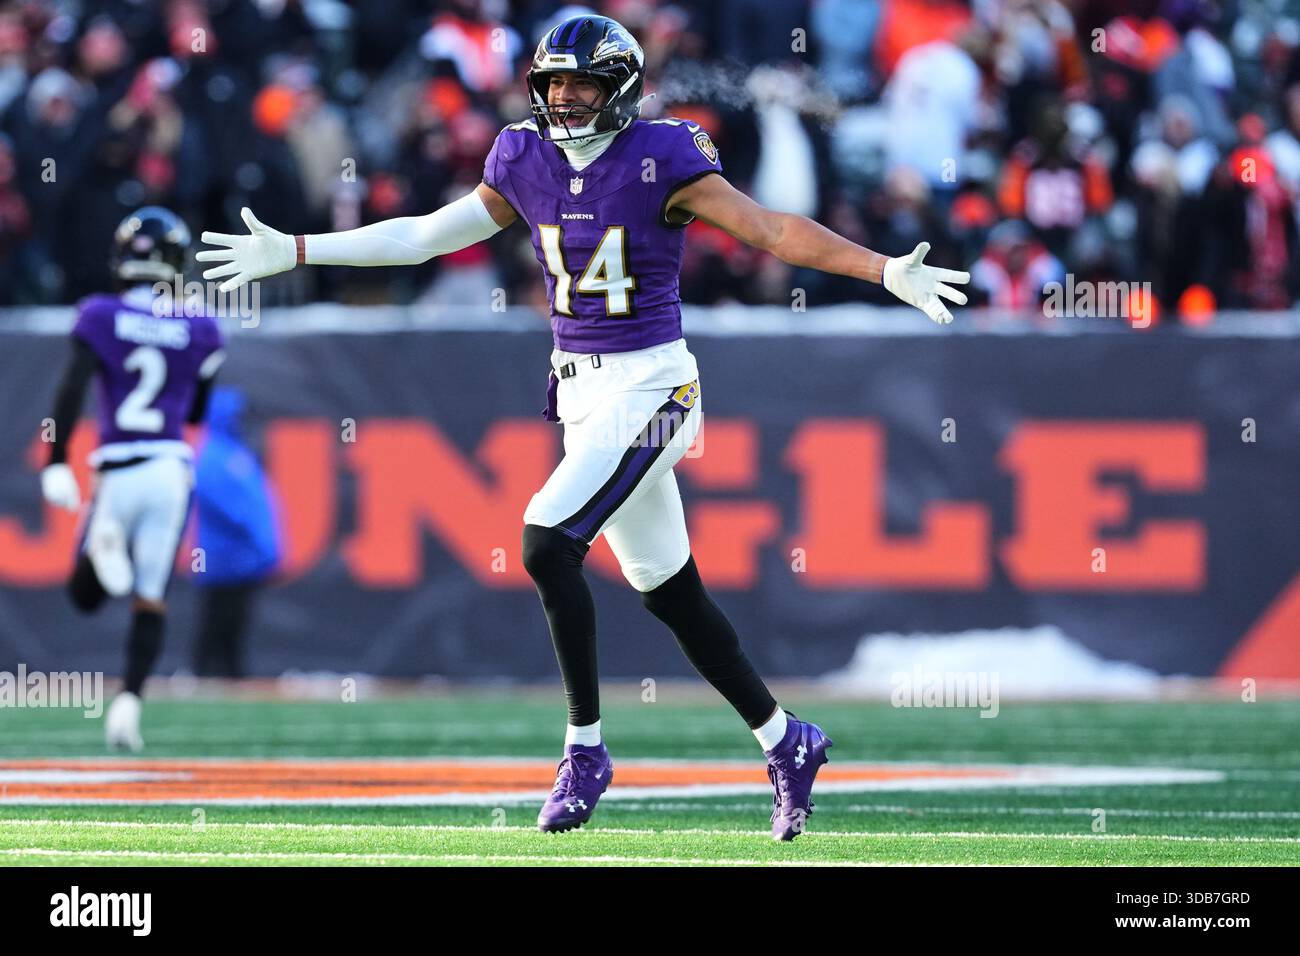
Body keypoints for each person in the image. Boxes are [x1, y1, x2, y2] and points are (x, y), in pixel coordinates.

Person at [196, 14, 969, 840]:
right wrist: (302, 249)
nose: (564, 99)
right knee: (671, 594)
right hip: (583, 400)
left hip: (656, 389)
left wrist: (884, 268)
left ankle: (585, 749)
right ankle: (787, 739)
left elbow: (774, 229)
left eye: (582, 86)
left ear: (621, 92)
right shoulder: (521, 158)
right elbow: (423, 237)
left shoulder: (662, 157)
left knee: (543, 538)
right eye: (554, 84)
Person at [41, 206, 224, 751]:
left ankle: (104, 543)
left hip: (118, 468)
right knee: (150, 598)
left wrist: (55, 459)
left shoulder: (100, 315)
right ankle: (129, 707)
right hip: (169, 470)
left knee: (85, 595)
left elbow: (72, 390)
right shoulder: (201, 328)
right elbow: (194, 414)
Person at [192, 387, 282, 678]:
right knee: (218, 622)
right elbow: (233, 508)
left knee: (235, 626)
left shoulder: (235, 453)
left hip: (244, 560)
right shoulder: (213, 456)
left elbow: (258, 504)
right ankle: (206, 677)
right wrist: (259, 539)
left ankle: (229, 678)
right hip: (222, 558)